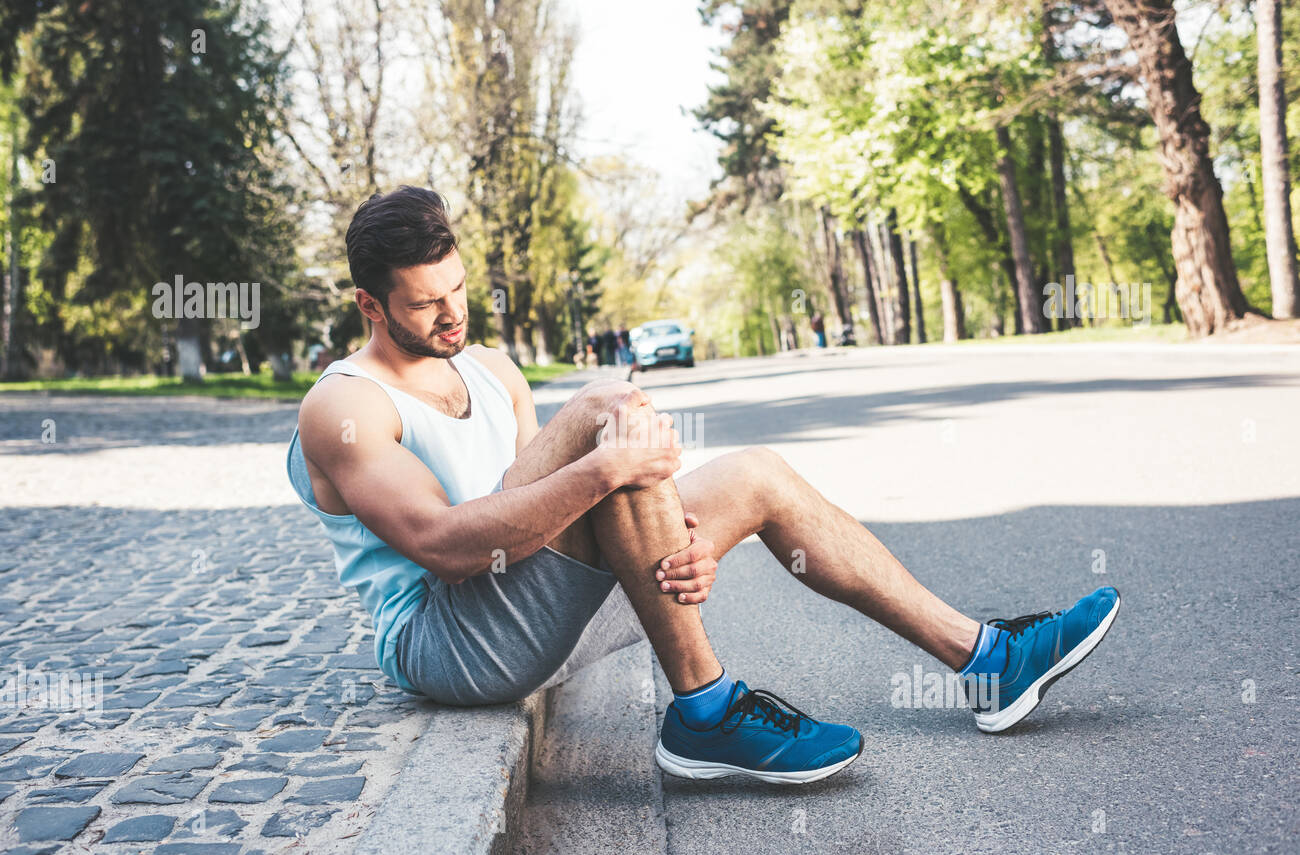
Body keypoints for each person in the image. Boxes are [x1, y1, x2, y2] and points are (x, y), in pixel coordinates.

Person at [286, 186, 1121, 785]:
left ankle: (986, 660)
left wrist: (671, 542)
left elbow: (550, 513)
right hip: (450, 643)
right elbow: (446, 548)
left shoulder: (494, 368)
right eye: (426, 303)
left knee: (753, 473)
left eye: (459, 289)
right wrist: (612, 470)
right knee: (605, 420)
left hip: (526, 604)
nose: (453, 315)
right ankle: (707, 709)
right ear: (370, 303)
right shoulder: (345, 405)